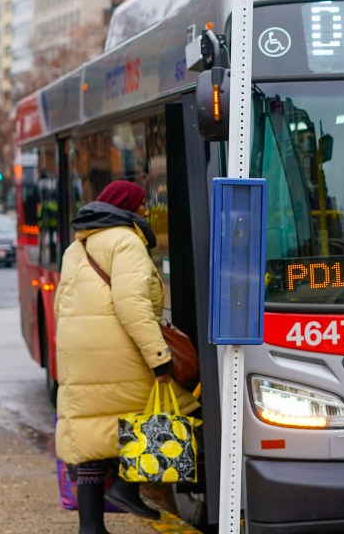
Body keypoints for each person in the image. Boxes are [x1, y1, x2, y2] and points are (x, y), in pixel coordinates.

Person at [54, 180, 197, 534]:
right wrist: (159, 356)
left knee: (92, 433)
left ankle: (91, 527)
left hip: (80, 352)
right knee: (172, 406)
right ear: (126, 206)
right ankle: (128, 486)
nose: (147, 210)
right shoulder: (126, 241)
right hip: (119, 349)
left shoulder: (77, 246)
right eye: (142, 204)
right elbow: (132, 306)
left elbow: (61, 304)